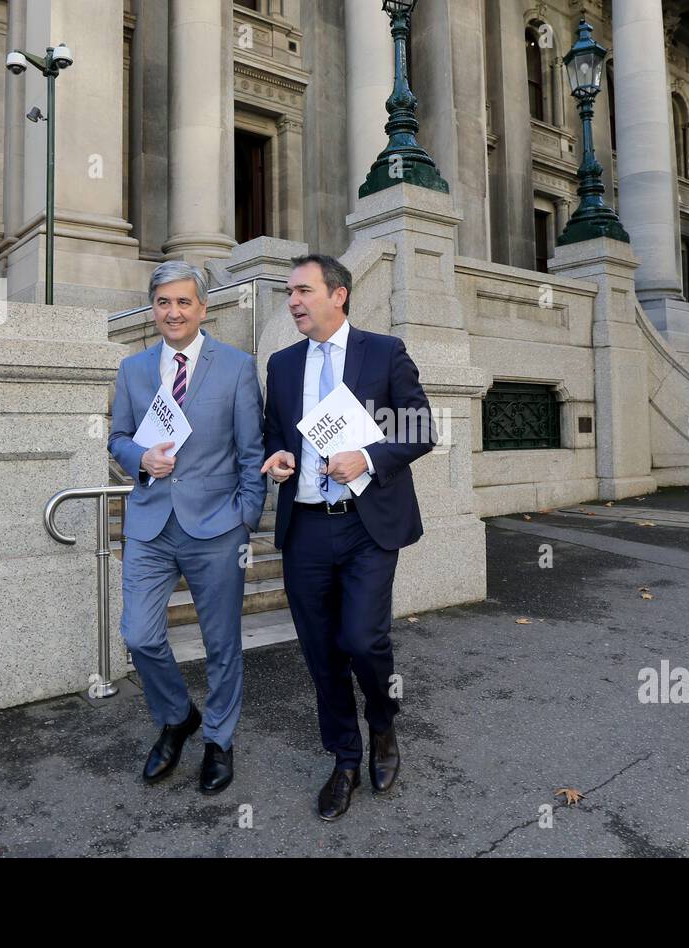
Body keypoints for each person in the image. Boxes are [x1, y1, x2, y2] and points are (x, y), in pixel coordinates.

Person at [261, 254, 436, 820]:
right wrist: (277, 456)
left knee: (363, 640)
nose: (293, 301)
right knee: (321, 653)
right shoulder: (283, 365)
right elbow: (271, 434)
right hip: (306, 526)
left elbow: (420, 427)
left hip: (367, 524)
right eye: (289, 292)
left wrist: (364, 456)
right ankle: (343, 758)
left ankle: (383, 725)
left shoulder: (383, 352)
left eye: (303, 291)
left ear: (338, 295)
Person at [108, 261, 265, 794]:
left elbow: (251, 451)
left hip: (217, 527)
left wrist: (245, 517)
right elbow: (118, 438)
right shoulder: (132, 369)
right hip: (150, 523)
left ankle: (219, 739)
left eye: (182, 302)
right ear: (152, 308)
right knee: (139, 634)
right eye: (162, 303)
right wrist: (139, 458)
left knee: (221, 643)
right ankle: (178, 718)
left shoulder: (237, 366)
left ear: (202, 307)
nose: (172, 312)